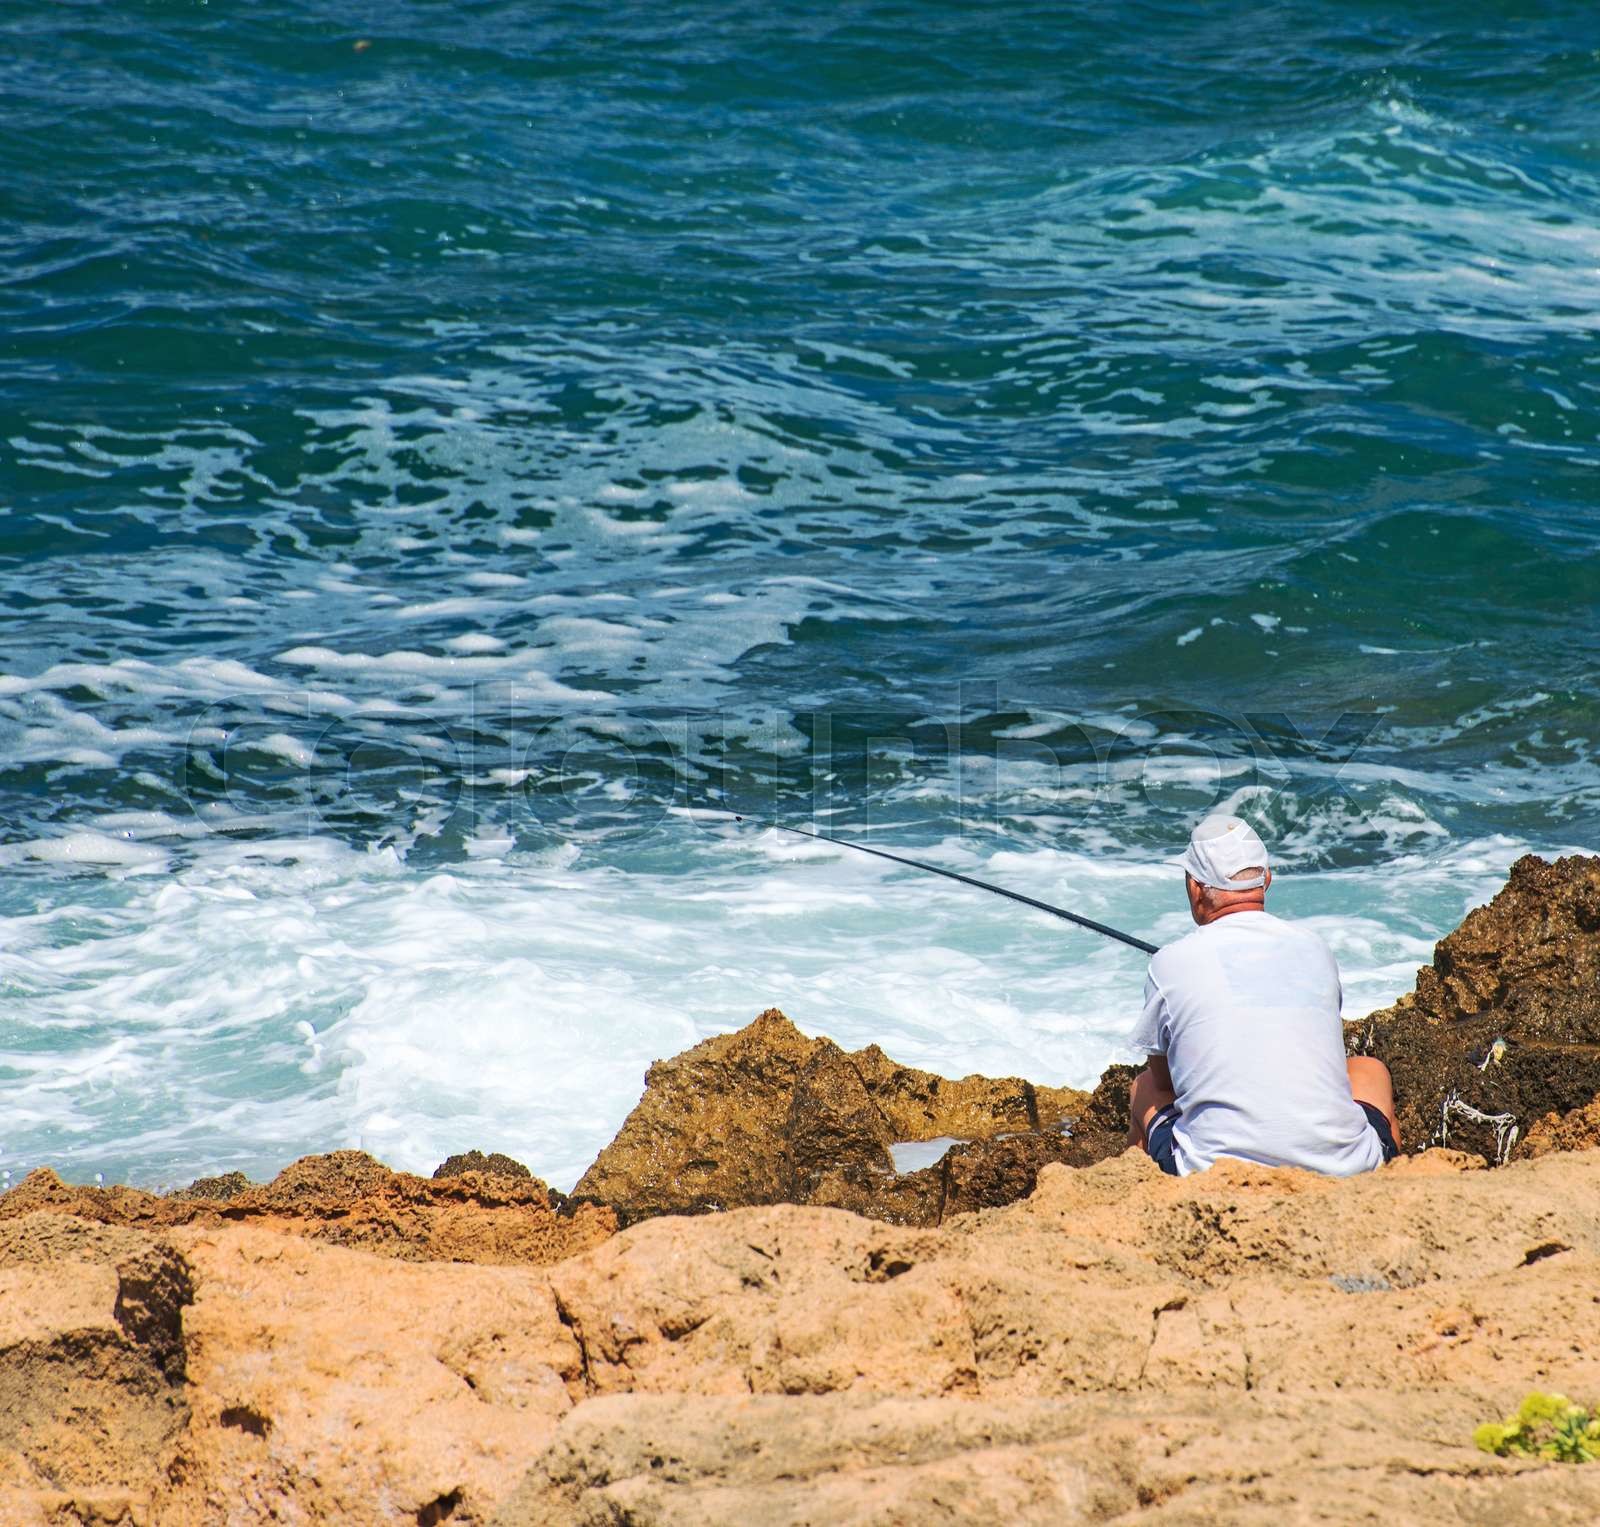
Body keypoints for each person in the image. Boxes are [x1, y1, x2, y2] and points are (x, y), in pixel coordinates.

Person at [1126, 815, 1401, 1176]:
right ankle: (1386, 1185)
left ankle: (1132, 1198)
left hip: (1213, 1172)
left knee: (1142, 1088)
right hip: (1344, 1168)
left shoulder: (1169, 964)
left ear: (1195, 887)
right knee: (1370, 1071)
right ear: (1266, 880)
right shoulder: (1316, 949)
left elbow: (1165, 1083)